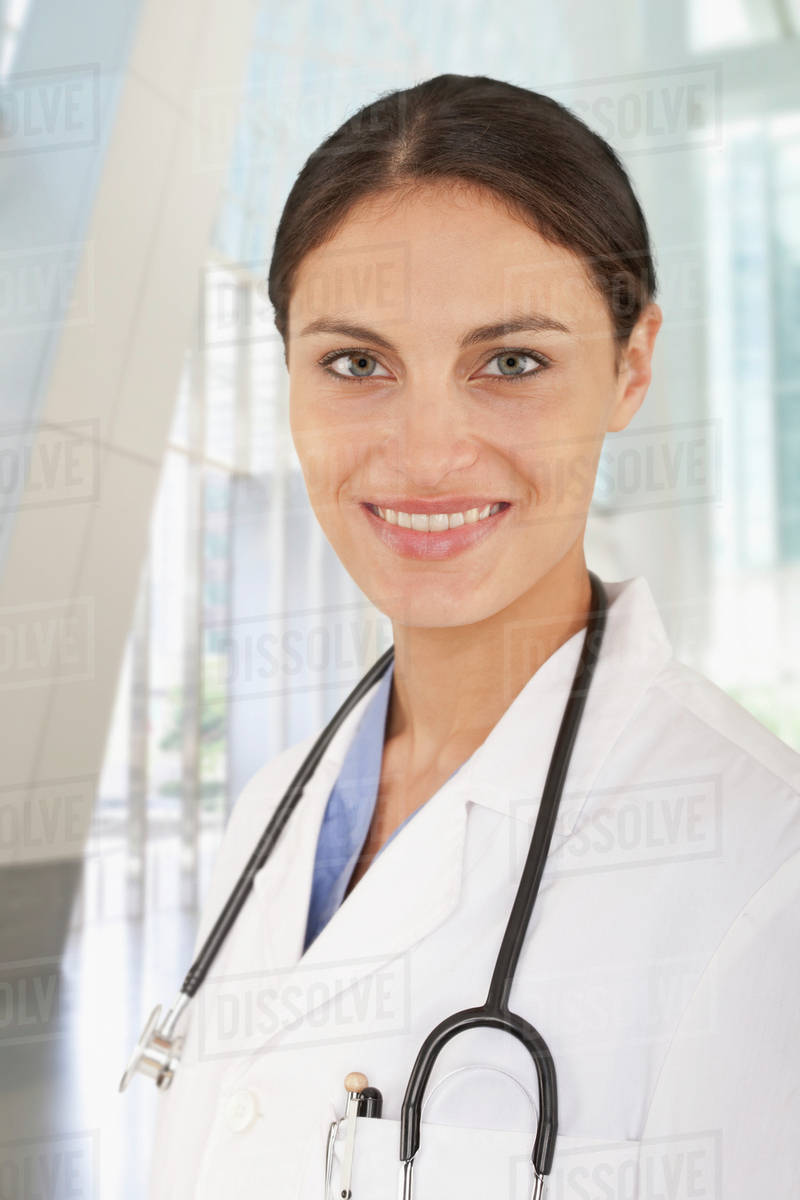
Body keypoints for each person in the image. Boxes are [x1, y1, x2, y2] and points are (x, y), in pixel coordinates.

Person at [147, 74, 800, 1199]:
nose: (425, 452)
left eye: (510, 364)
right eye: (355, 364)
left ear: (630, 366)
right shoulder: (272, 820)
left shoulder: (759, 878)